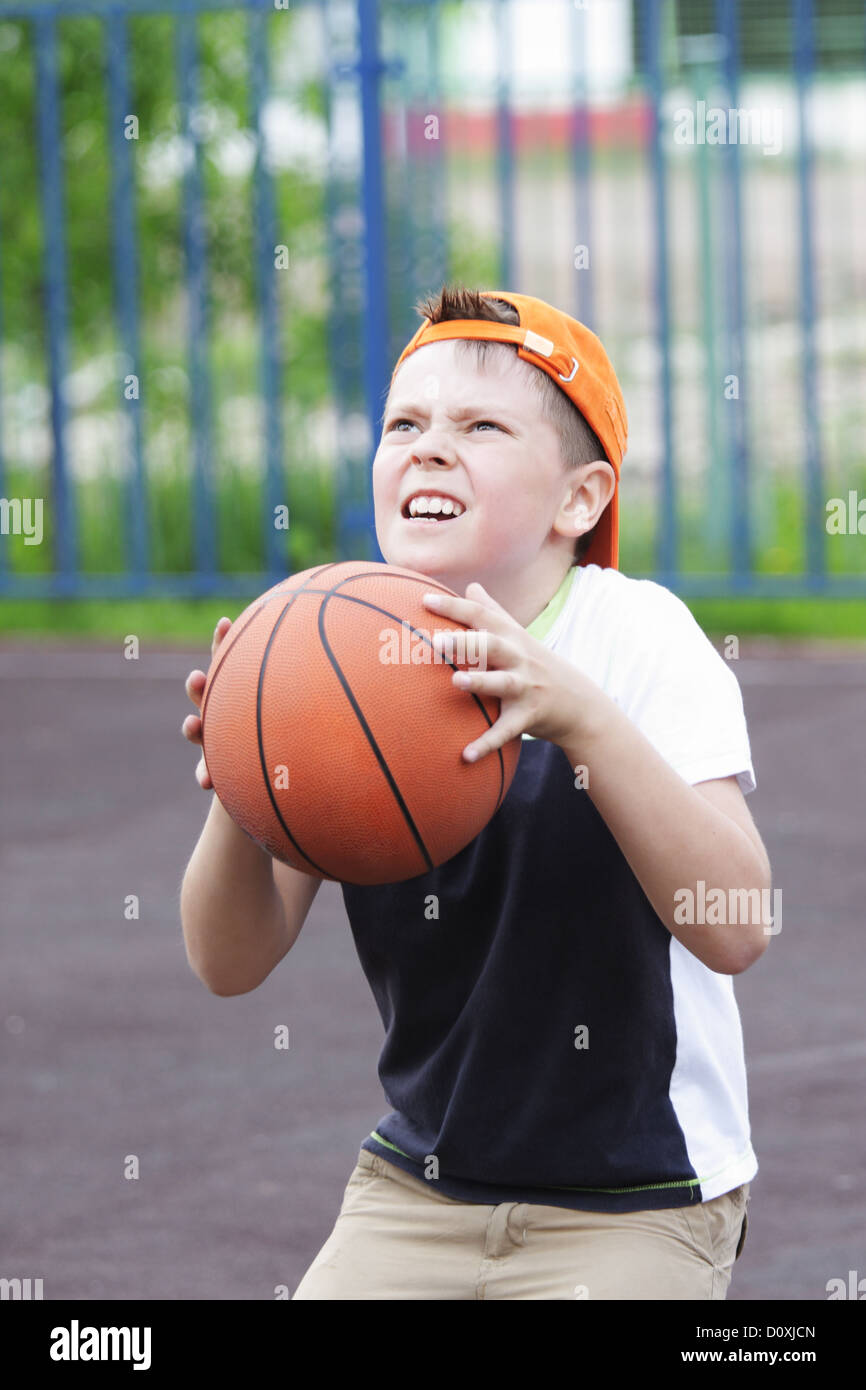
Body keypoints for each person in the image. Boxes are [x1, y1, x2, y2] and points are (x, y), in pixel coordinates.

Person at [181, 286, 770, 1300]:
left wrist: (580, 719)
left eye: (479, 425)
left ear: (578, 500)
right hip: (419, 1188)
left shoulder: (636, 641)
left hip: (635, 1197)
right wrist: (242, 779)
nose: (428, 446)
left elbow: (738, 923)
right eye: (402, 423)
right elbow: (228, 963)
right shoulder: (329, 661)